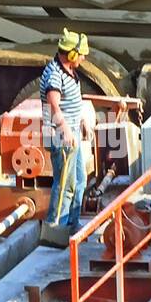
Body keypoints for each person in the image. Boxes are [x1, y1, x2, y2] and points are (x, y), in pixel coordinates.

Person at [41, 29, 94, 230]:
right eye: (81, 53)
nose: (84, 57)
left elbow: (71, 102)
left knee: (80, 180)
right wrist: (65, 129)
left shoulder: (69, 71)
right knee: (65, 185)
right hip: (61, 137)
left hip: (72, 134)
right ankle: (57, 228)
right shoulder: (55, 74)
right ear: (71, 54)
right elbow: (54, 104)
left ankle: (72, 223)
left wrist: (81, 120)